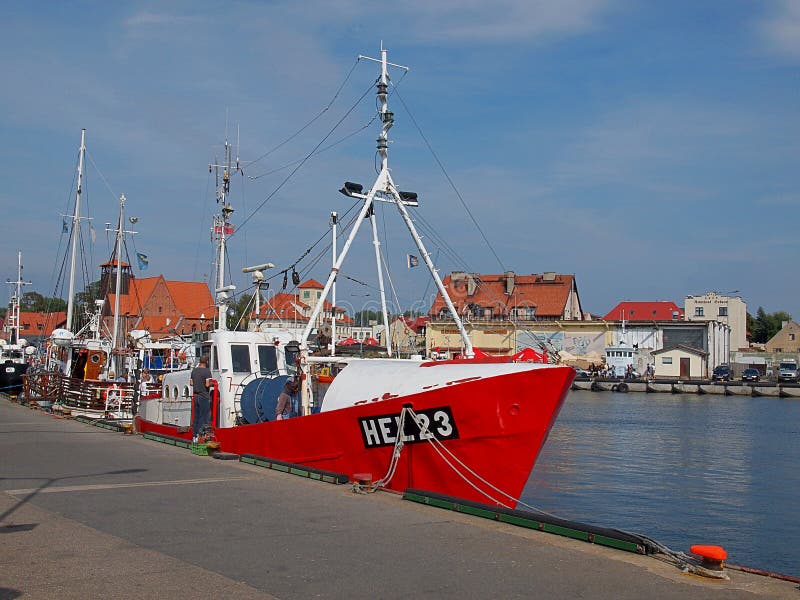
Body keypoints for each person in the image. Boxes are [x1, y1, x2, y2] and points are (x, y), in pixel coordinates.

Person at [189, 357, 213, 442]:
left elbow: (191, 383)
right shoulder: (207, 371)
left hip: (196, 396)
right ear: (206, 362)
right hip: (204, 395)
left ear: (199, 361)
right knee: (204, 417)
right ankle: (201, 436)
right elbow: (207, 385)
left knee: (196, 417)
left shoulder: (194, 371)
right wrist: (212, 383)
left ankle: (194, 436)